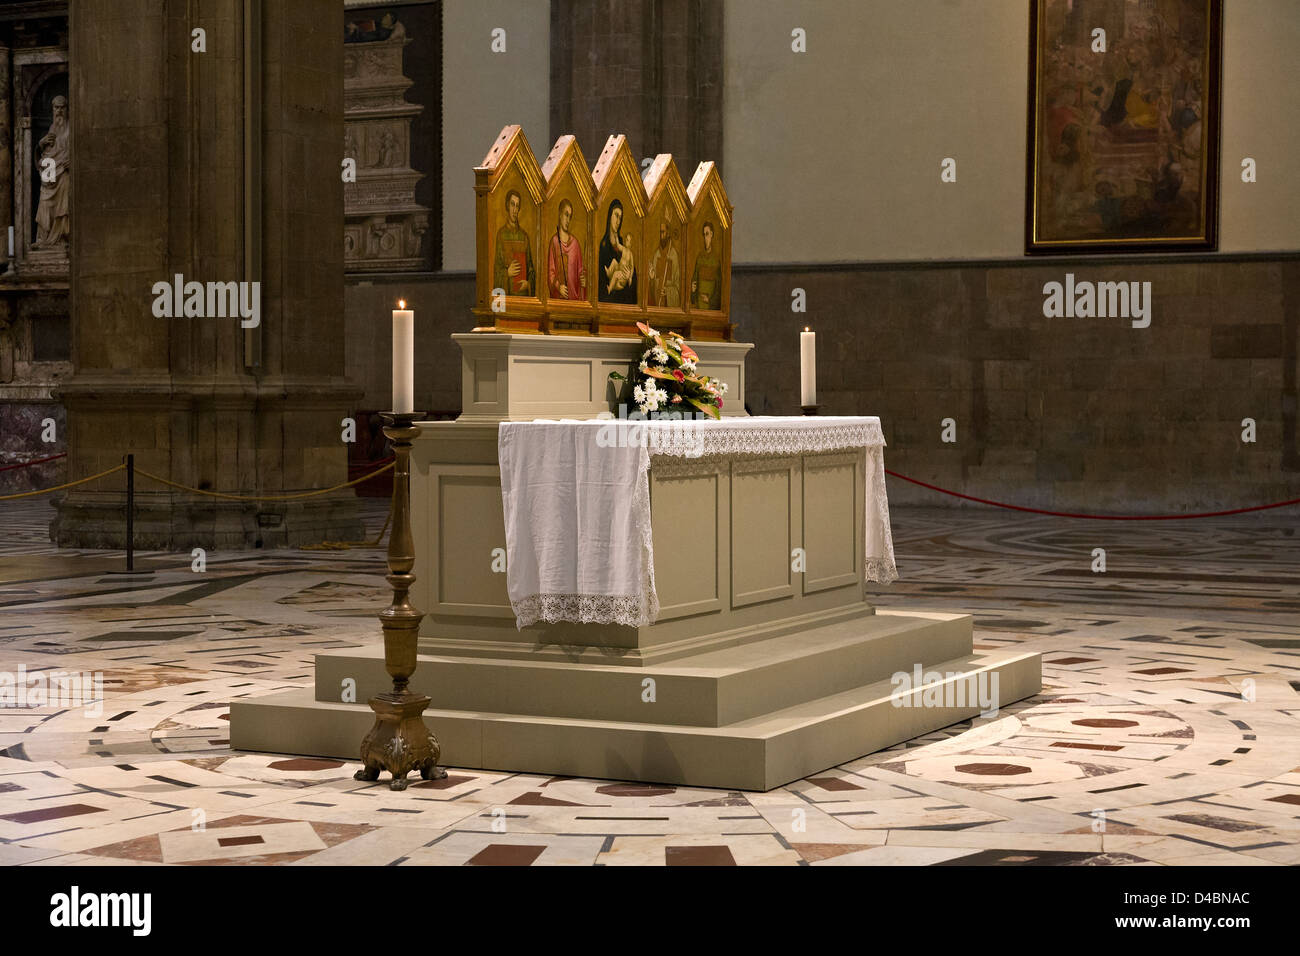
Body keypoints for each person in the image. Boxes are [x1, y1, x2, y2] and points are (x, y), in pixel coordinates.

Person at [492, 189, 534, 296]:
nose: (515, 210)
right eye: (512, 205)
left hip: (523, 296)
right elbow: (496, 270)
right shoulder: (501, 235)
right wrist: (507, 273)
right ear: (507, 206)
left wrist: (528, 284)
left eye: (517, 206)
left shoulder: (524, 236)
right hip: (507, 297)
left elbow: (531, 269)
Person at [598, 199, 637, 304]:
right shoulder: (604, 245)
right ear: (610, 216)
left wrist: (630, 275)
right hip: (607, 303)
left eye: (620, 218)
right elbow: (600, 281)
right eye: (616, 215)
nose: (618, 221)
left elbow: (631, 269)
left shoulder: (622, 243)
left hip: (623, 299)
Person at [546, 199, 586, 300]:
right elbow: (551, 273)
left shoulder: (575, 244)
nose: (568, 220)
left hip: (574, 300)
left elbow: (581, 271)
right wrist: (558, 287)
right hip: (558, 301)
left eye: (570, 216)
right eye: (566, 215)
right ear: (560, 214)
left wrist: (584, 279)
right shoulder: (554, 242)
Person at [689, 221, 720, 310]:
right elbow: (694, 280)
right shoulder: (700, 258)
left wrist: (710, 300)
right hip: (699, 306)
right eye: (704, 235)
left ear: (711, 234)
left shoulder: (716, 260)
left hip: (710, 307)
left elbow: (718, 288)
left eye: (707, 234)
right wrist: (693, 290)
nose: (705, 238)